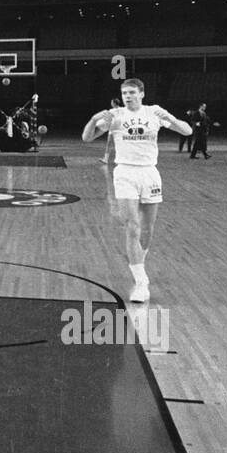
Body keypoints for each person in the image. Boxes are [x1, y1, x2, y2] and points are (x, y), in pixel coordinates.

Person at [82, 77, 191, 302]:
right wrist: (94, 119)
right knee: (131, 225)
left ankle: (139, 263)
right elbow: (87, 137)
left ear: (142, 93)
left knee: (147, 228)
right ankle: (141, 282)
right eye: (124, 93)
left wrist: (169, 118)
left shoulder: (154, 112)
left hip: (149, 173)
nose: (128, 96)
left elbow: (187, 131)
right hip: (125, 173)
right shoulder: (116, 116)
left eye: (132, 92)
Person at [100, 97, 122, 164]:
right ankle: (106, 159)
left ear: (114, 103)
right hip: (116, 129)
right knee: (112, 144)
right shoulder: (122, 110)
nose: (111, 103)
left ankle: (108, 159)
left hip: (116, 129)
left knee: (110, 144)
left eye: (112, 102)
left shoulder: (112, 111)